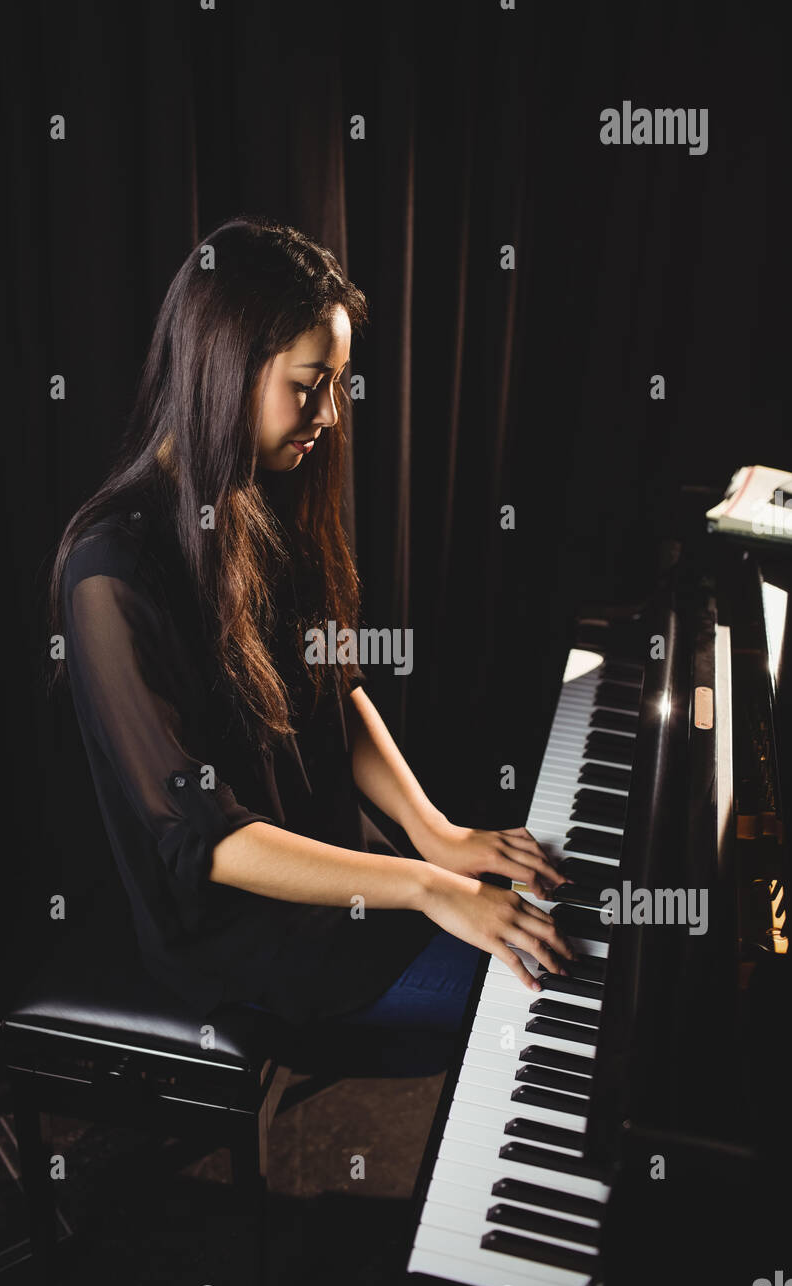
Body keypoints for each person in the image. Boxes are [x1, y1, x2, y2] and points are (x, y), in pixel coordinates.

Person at [48, 216, 575, 1057]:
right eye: (309, 384)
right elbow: (207, 839)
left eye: (337, 383)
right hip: (243, 941)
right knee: (550, 993)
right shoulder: (110, 569)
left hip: (347, 881)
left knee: (566, 936)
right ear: (227, 367)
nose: (330, 412)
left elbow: (336, 685)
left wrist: (437, 833)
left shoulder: (263, 491)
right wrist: (431, 887)